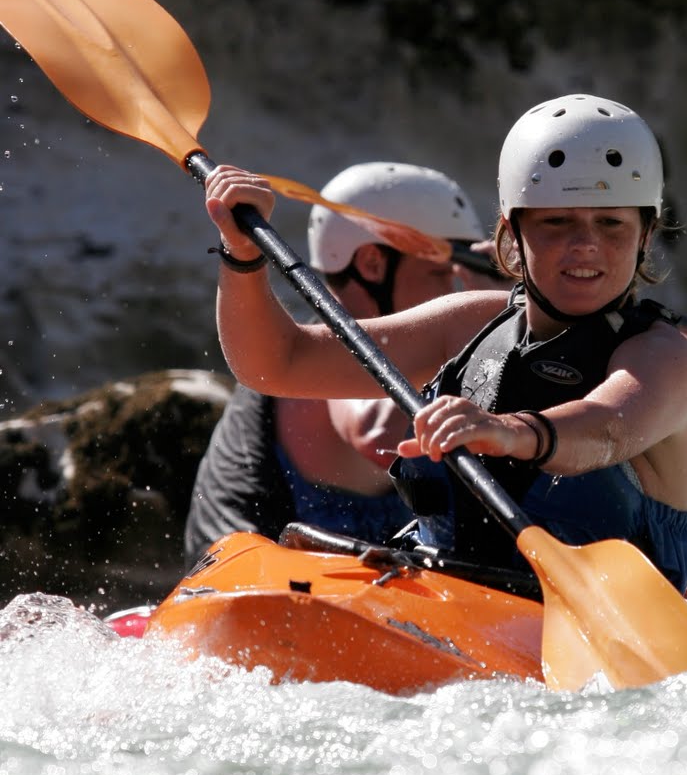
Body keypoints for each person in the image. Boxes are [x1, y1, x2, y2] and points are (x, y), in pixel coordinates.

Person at [200, 95, 687, 592]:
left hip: (599, 634)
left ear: (645, 236)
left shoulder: (663, 357)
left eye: (611, 224)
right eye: (557, 223)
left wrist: (507, 431)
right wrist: (241, 256)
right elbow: (278, 363)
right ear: (512, 236)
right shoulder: (468, 325)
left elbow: (606, 429)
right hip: (446, 603)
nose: (586, 245)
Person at [183, 160, 486, 565]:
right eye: (440, 274)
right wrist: (493, 329)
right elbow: (377, 435)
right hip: (247, 589)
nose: (453, 292)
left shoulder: (320, 349)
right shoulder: (324, 365)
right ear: (373, 265)